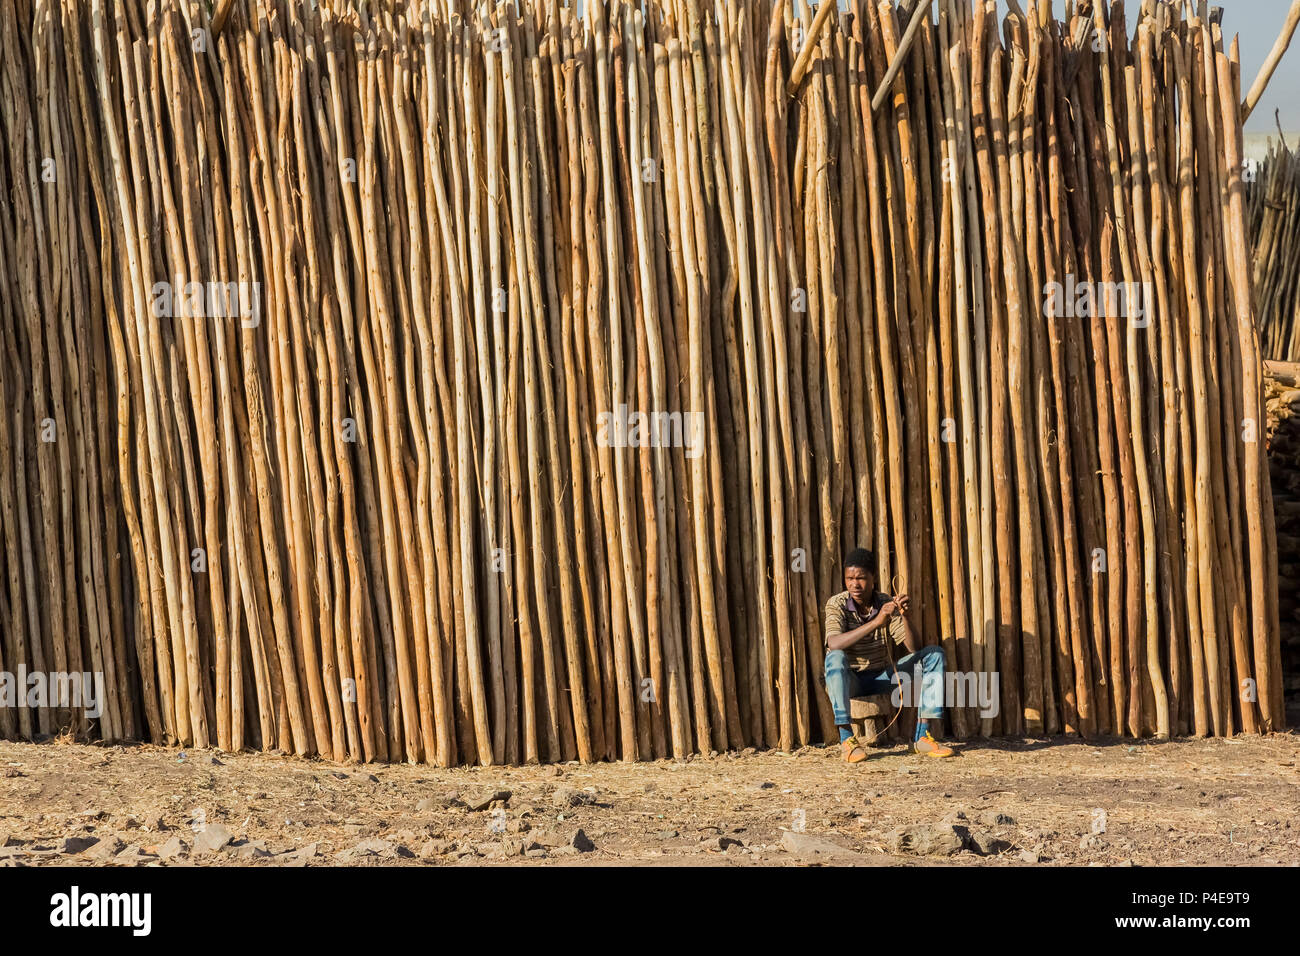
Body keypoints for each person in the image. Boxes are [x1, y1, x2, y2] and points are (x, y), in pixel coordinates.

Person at [823, 547, 956, 762]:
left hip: (884, 676)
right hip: (851, 679)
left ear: (873, 578)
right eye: (849, 578)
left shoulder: (885, 602)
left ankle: (922, 737)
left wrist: (904, 616)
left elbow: (914, 649)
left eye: (861, 578)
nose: (855, 584)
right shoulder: (837, 603)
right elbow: (834, 642)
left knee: (934, 655)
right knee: (834, 657)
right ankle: (847, 740)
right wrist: (876, 622)